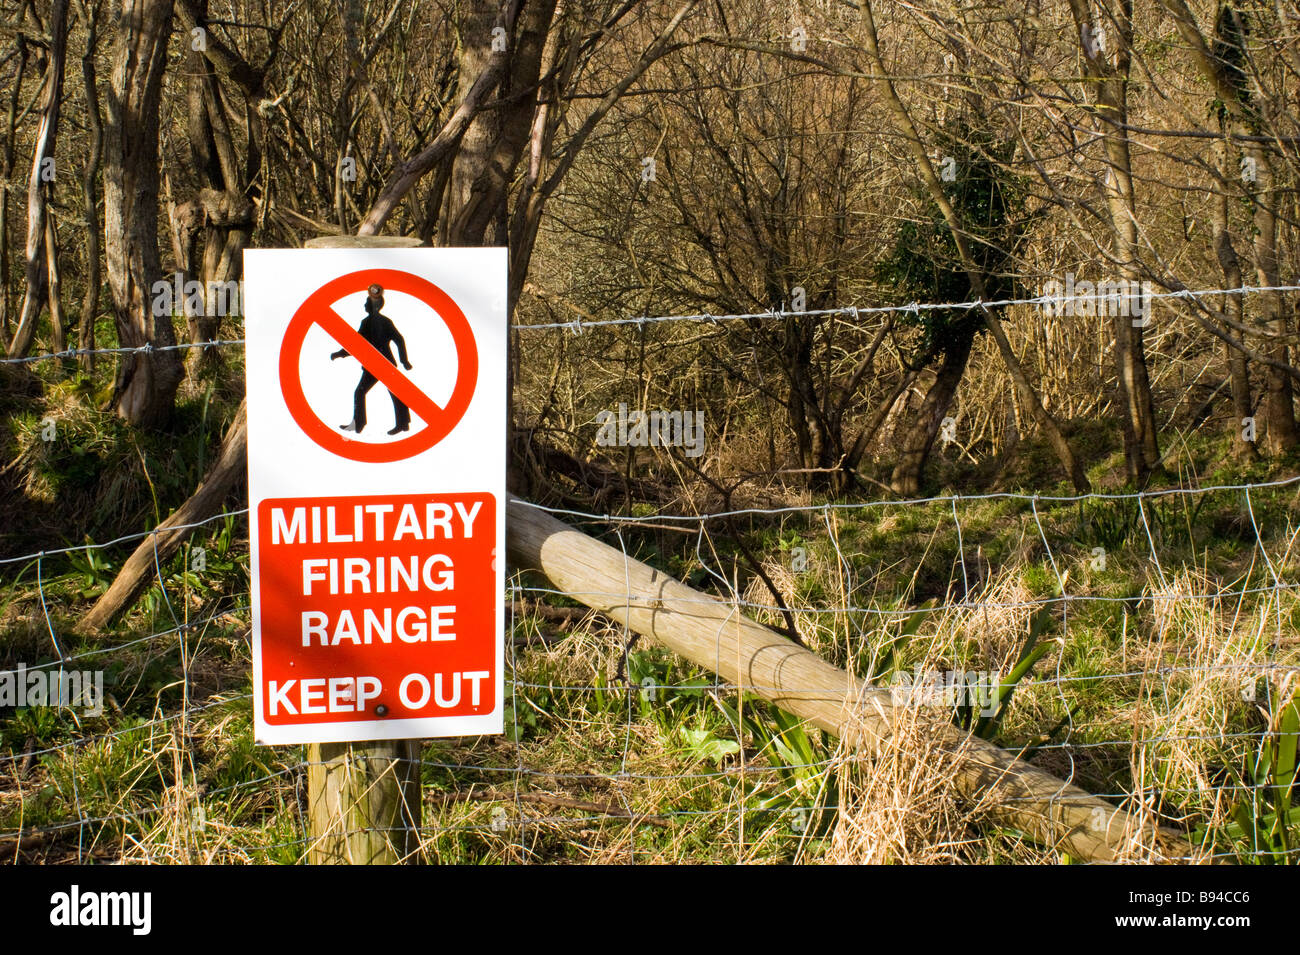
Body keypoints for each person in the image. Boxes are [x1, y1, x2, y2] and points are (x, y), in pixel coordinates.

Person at [331, 284, 414, 435]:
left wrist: (404, 360)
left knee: (395, 393)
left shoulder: (382, 322)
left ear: (372, 305)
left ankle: (402, 424)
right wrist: (340, 353)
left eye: (366, 303)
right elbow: (356, 343)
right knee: (362, 392)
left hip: (385, 364)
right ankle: (358, 424)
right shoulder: (367, 322)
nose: (364, 305)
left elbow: (399, 339)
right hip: (372, 365)